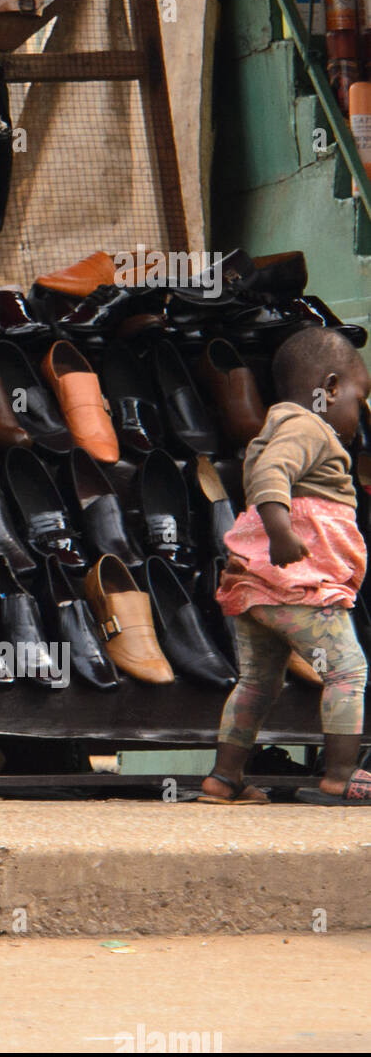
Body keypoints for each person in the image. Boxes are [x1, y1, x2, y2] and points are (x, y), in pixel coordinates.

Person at [201, 326, 371, 806]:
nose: (360, 415)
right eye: (360, 400)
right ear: (331, 388)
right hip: (298, 586)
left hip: (258, 590)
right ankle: (341, 773)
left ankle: (224, 778)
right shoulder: (307, 427)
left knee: (258, 682)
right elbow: (271, 472)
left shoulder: (283, 425)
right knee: (347, 671)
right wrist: (280, 531)